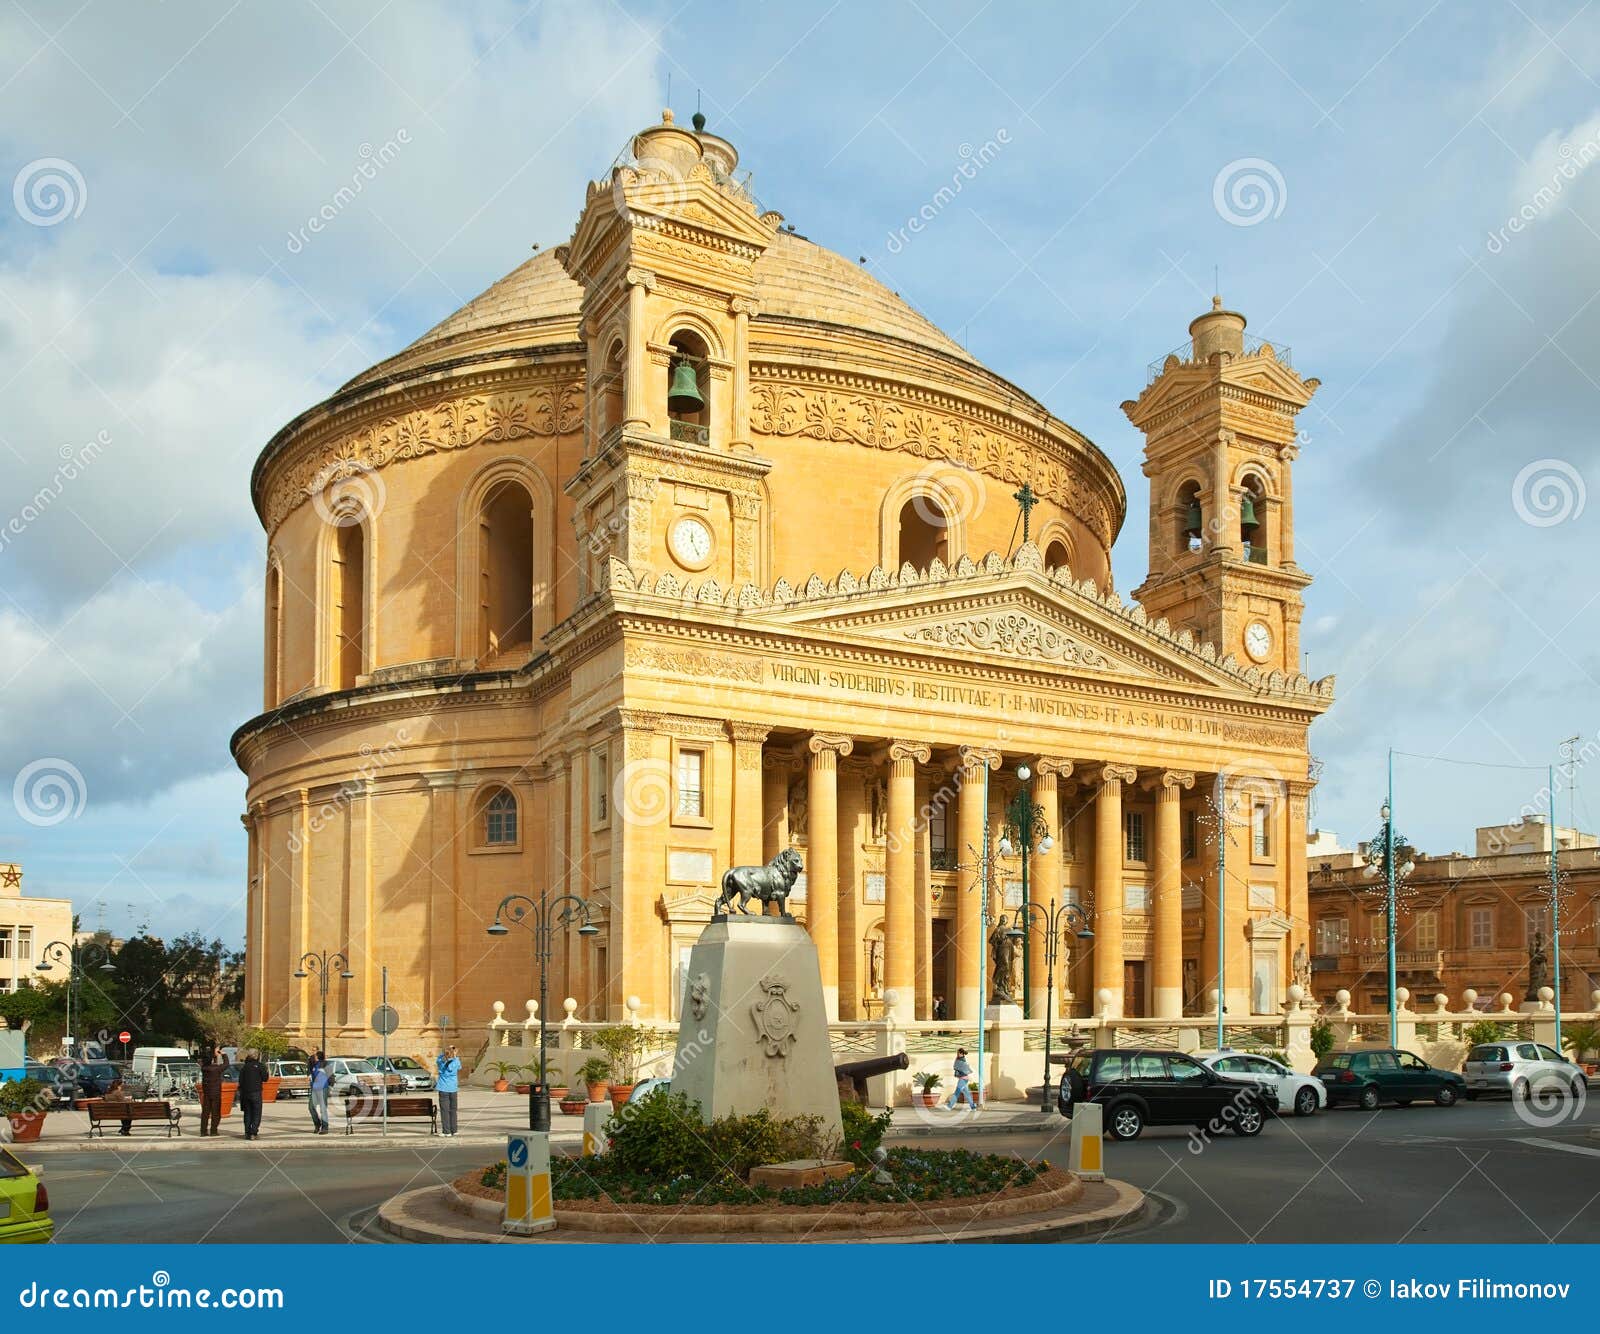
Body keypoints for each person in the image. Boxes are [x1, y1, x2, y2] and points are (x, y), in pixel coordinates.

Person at [236, 1049, 267, 1141]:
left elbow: (240, 1081)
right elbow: (265, 1078)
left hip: (245, 1093)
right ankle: (253, 1132)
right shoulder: (260, 1066)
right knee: (257, 1113)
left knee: (247, 1113)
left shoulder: (244, 1067)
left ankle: (247, 1132)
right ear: (256, 1056)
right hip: (256, 1092)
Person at [198, 1044, 226, 1137]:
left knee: (205, 1113)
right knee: (215, 1113)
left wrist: (215, 1055)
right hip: (216, 1093)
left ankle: (203, 1131)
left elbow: (205, 1062)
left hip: (207, 1093)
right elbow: (226, 1064)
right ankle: (213, 1131)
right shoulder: (216, 1069)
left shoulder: (204, 1068)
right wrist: (223, 1054)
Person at [435, 1045, 461, 1137]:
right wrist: (454, 1054)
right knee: (453, 1110)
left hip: (443, 1088)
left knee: (444, 1111)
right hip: (453, 1088)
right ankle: (454, 1130)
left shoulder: (441, 1061)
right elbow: (459, 1067)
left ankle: (446, 1131)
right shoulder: (456, 1061)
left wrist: (446, 1051)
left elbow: (439, 1059)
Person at [307, 1050, 331, 1135]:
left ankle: (325, 1127)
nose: (314, 1057)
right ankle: (317, 1124)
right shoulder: (314, 1064)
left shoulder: (325, 1064)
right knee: (311, 1107)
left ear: (318, 1057)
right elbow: (310, 1070)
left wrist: (330, 1086)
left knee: (323, 1108)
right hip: (315, 1088)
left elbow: (330, 1075)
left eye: (315, 1056)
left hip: (323, 1088)